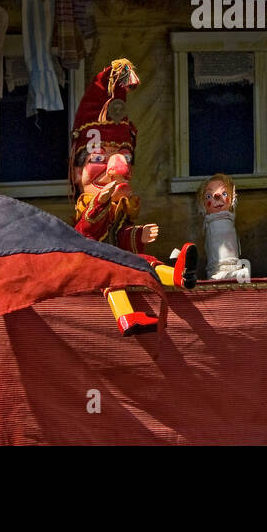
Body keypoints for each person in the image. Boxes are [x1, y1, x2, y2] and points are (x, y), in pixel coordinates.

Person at [69, 58, 196, 335]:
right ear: (77, 171)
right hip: (94, 264)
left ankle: (178, 275)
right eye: (100, 157)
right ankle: (126, 316)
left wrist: (137, 235)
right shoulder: (90, 204)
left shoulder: (121, 206)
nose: (117, 168)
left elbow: (120, 235)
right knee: (111, 275)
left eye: (124, 157)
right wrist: (103, 200)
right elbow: (87, 231)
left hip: (117, 258)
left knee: (145, 262)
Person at [199, 173, 250, 282]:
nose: (217, 197)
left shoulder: (230, 218)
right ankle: (219, 274)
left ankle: (233, 273)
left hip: (233, 263)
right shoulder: (209, 222)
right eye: (209, 196)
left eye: (224, 193)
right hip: (217, 267)